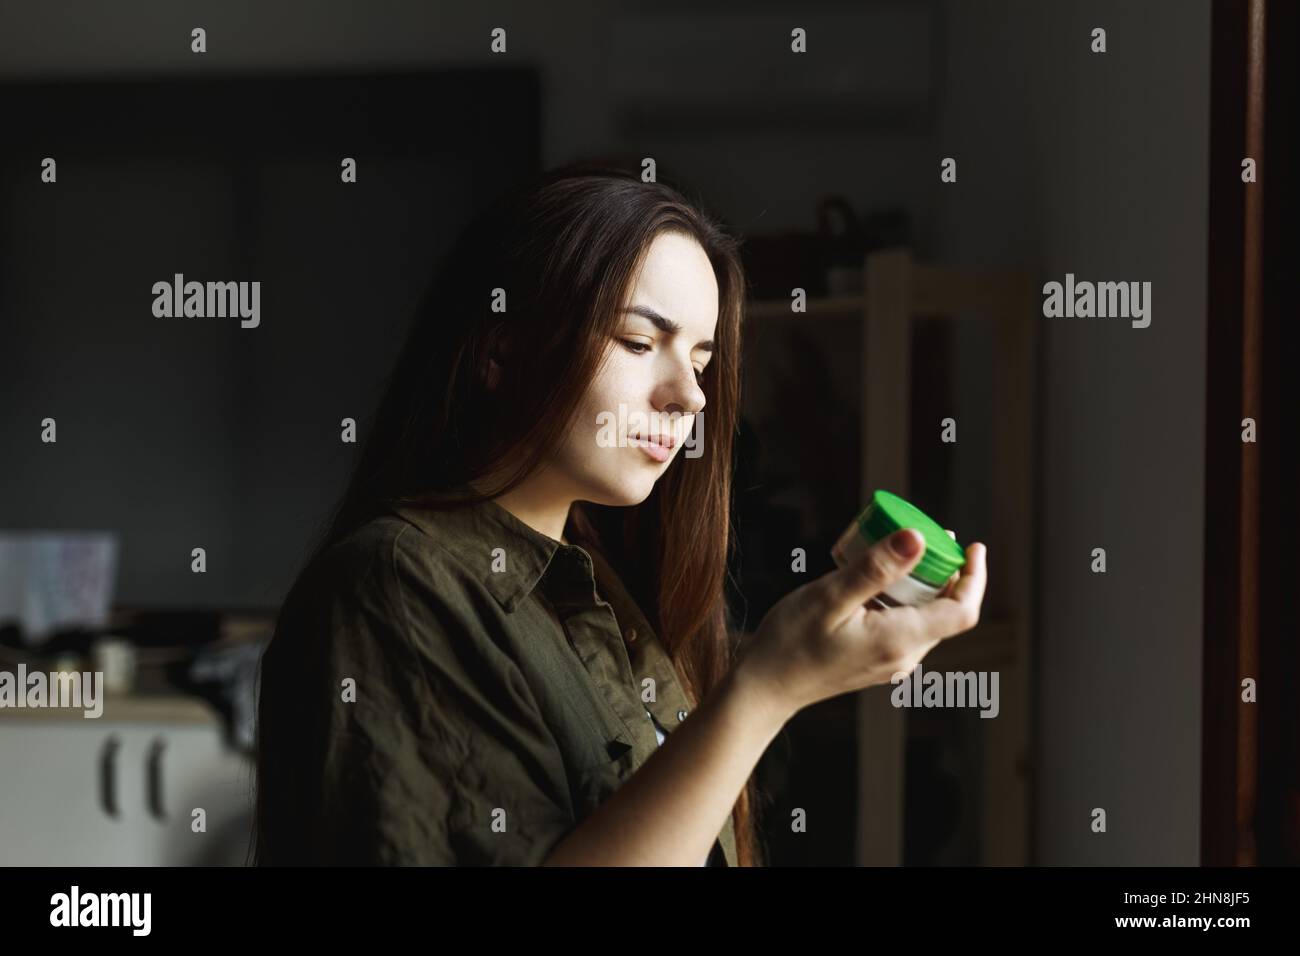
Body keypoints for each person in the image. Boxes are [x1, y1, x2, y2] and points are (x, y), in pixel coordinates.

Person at [252, 161, 988, 866]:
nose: (692, 397)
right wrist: (767, 691)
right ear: (502, 350)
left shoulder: (611, 595)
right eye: (640, 342)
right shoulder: (394, 587)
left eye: (701, 362)